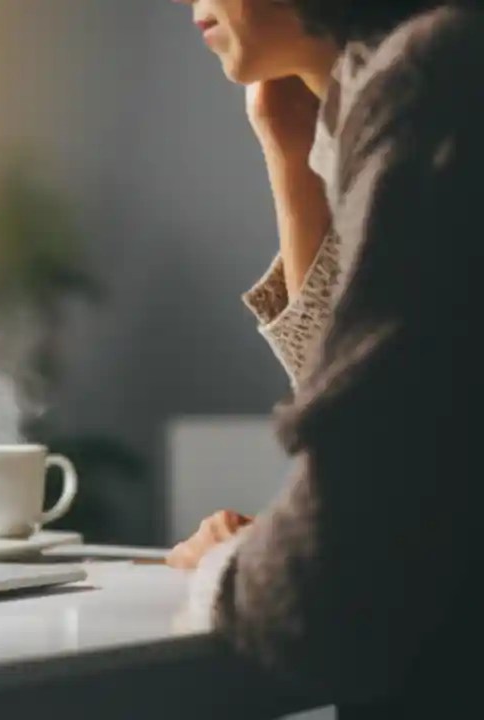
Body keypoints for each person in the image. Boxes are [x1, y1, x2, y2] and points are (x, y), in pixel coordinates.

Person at [164, 0, 484, 716]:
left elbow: (333, 576)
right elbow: (370, 410)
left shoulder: (432, 79)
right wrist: (288, 154)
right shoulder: (388, 88)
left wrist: (224, 567)